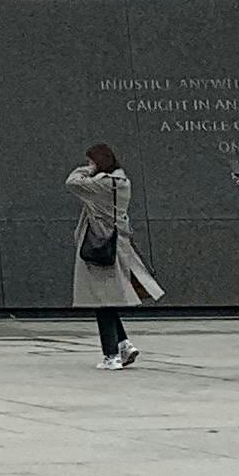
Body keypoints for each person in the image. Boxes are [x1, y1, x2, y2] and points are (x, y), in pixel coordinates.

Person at [66, 139, 161, 367]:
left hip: (99, 247)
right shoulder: (123, 183)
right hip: (118, 245)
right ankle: (124, 345)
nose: (89, 165)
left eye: (91, 161)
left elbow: (72, 182)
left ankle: (112, 355)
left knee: (102, 302)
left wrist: (87, 170)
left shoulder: (100, 185)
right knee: (106, 300)